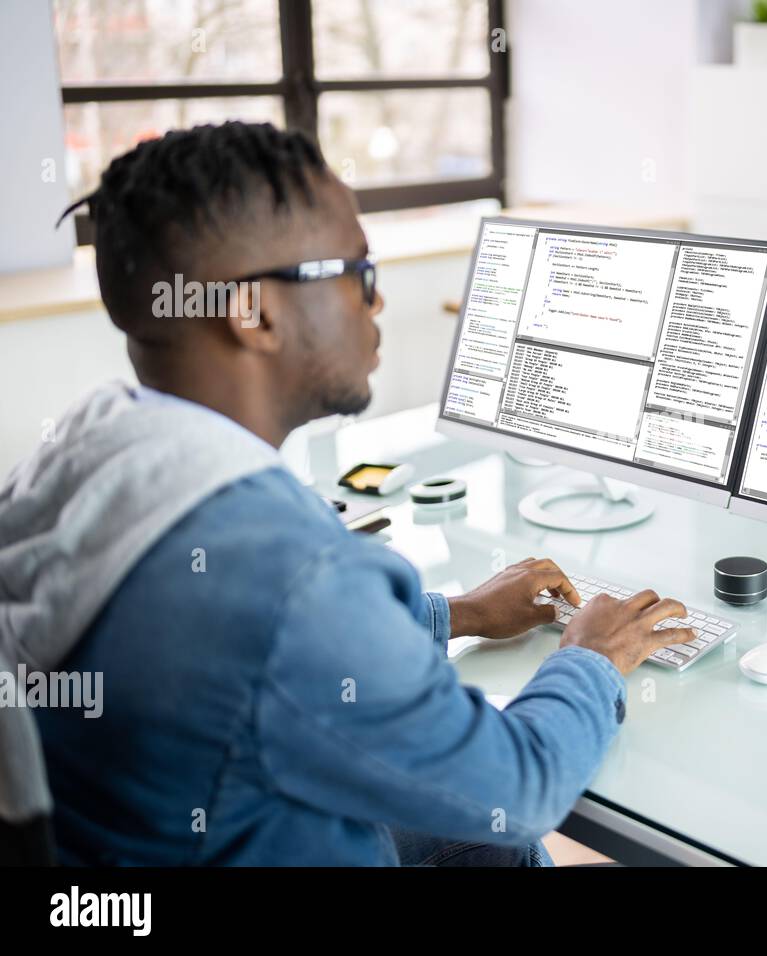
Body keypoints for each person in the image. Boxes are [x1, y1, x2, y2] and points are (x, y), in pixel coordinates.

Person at [0, 121, 695, 866]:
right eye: (358, 272)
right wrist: (590, 656)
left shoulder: (84, 455)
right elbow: (518, 790)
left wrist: (457, 613)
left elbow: (258, 666)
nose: (379, 300)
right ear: (253, 312)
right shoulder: (289, 576)